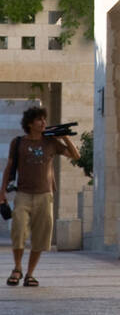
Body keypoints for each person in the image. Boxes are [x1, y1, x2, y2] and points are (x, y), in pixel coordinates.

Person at [0, 106, 80, 288]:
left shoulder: (50, 142)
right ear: (30, 123)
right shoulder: (18, 142)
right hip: (23, 194)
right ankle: (17, 268)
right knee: (18, 231)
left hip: (45, 195)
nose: (44, 122)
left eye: (45, 119)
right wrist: (1, 191)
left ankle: (30, 274)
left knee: (41, 237)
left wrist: (64, 136)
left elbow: (75, 155)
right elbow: (9, 166)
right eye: (39, 120)